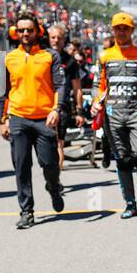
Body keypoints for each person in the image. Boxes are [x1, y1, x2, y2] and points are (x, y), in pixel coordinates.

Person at [0, 11, 66, 230]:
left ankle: (53, 187)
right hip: (18, 118)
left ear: (38, 32)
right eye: (21, 30)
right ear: (16, 32)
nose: (25, 33)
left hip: (44, 119)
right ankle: (27, 211)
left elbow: (60, 85)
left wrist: (56, 109)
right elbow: (2, 91)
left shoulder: (50, 55)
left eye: (29, 30)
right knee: (21, 167)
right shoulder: (8, 57)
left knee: (50, 163)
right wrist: (2, 120)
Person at [90, 12, 137, 218]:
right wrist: (95, 103)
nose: (121, 31)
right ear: (113, 30)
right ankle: (129, 202)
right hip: (113, 114)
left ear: (131, 30)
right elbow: (97, 84)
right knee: (123, 160)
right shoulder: (104, 56)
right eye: (118, 28)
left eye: (125, 28)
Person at [48, 24, 83, 172]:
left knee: (58, 144)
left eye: (59, 38)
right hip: (41, 106)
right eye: (53, 37)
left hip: (61, 107)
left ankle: (56, 180)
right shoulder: (42, 56)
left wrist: (80, 112)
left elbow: (77, 89)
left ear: (64, 40)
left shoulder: (70, 61)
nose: (56, 41)